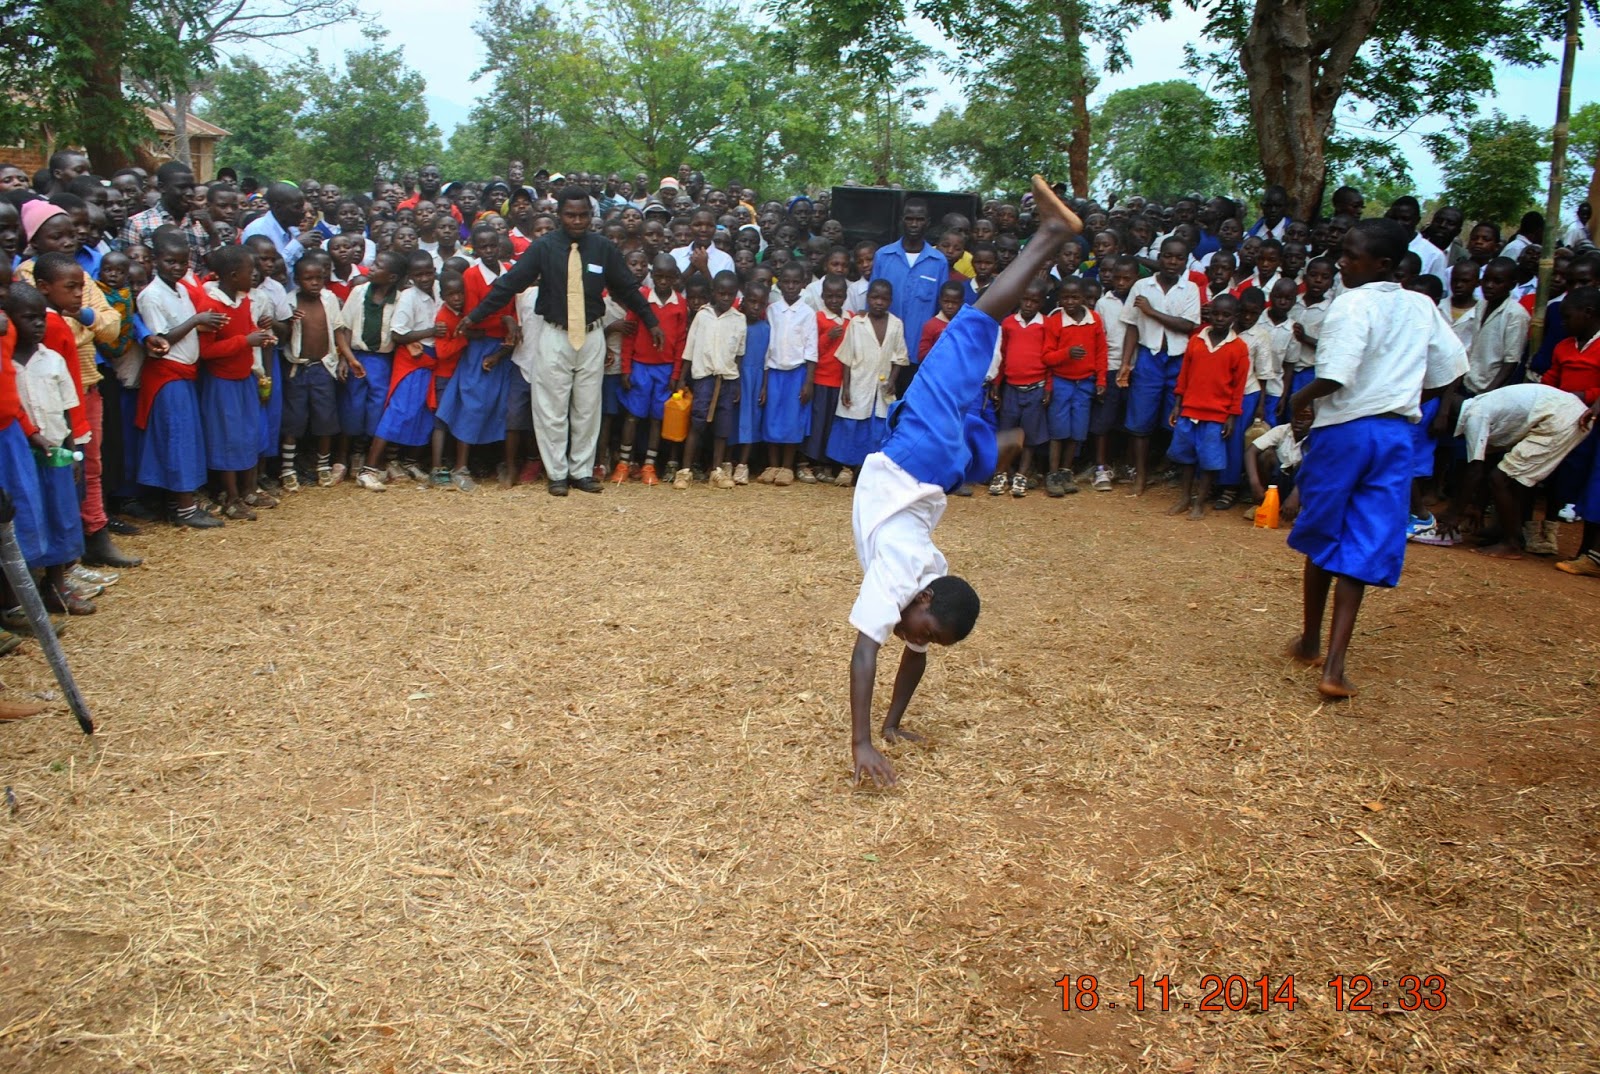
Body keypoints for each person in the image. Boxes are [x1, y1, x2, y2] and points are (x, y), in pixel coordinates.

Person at [848, 175, 1082, 787]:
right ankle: (1050, 237)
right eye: (923, 631)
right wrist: (863, 743)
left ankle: (987, 450)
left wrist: (893, 725)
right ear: (927, 599)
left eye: (926, 638)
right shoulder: (907, 575)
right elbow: (867, 652)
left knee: (966, 362)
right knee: (972, 326)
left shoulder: (921, 583)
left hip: (931, 468)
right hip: (919, 458)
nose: (915, 638)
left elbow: (910, 658)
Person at [1285, 219, 1468, 700]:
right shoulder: (1423, 305)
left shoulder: (1353, 303)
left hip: (1344, 431)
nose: (1341, 262)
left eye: (1351, 255)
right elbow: (1451, 367)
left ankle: (1309, 641)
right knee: (1364, 544)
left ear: (1383, 264)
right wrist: (1404, 392)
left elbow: (1336, 376)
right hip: (1394, 433)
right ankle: (1336, 666)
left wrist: (1298, 401)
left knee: (1324, 532)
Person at [456, 187, 663, 496]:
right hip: (554, 334)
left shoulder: (603, 248)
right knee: (551, 407)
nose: (577, 221)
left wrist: (651, 319)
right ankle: (556, 473)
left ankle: (581, 471)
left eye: (582, 215)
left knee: (587, 407)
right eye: (570, 215)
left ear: (591, 216)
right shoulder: (544, 248)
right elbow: (508, 285)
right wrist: (474, 316)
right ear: (560, 215)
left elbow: (628, 288)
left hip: (592, 335)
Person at [2, 282, 90, 613]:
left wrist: (73, 452)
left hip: (55, 451)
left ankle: (56, 586)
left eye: (42, 317)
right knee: (27, 520)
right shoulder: (7, 362)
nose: (38, 325)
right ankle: (18, 599)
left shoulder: (53, 360)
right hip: (22, 456)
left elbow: (69, 407)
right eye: (29, 318)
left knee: (61, 516)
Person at [135, 232, 227, 527]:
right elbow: (161, 341)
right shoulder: (150, 295)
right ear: (155, 261)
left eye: (182, 262)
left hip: (186, 372)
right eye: (169, 261)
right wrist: (197, 321)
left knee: (186, 438)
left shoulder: (182, 290)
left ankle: (178, 502)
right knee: (177, 439)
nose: (176, 267)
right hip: (168, 375)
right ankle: (185, 510)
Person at [1451, 383, 1594, 559]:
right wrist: (1475, 506)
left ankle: (1511, 544)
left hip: (1563, 419)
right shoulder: (1480, 405)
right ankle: (1507, 531)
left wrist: (1455, 515)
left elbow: (1475, 470)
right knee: (1513, 478)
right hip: (1564, 413)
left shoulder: (1475, 416)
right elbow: (1485, 463)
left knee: (1500, 478)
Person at [197, 245, 274, 519]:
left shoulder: (244, 300)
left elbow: (247, 329)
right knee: (227, 438)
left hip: (244, 378)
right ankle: (230, 497)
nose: (253, 276)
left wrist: (260, 334)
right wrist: (246, 341)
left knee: (248, 433)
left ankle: (248, 490)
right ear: (232, 275)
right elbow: (206, 352)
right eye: (248, 271)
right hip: (222, 382)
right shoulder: (211, 305)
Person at [1120, 236, 1201, 495]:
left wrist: (1152, 312)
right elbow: (1132, 326)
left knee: (1173, 419)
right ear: (1160, 257)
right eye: (1168, 256)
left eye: (1179, 257)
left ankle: (1168, 469)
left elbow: (1187, 325)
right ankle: (1141, 476)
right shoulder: (1142, 286)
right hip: (1148, 357)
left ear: (1185, 261)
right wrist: (1125, 362)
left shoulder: (1190, 289)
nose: (1172, 262)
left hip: (1179, 359)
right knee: (1140, 420)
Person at [1166, 293, 1250, 519]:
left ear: (1235, 317)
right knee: (1185, 457)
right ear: (1209, 314)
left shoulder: (1239, 347)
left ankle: (1199, 502)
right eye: (1216, 313)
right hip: (1190, 410)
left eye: (1226, 315)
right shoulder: (1196, 340)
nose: (1220, 318)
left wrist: (1231, 416)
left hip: (1216, 414)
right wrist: (1177, 405)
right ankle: (1185, 497)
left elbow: (1238, 386)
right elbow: (1184, 375)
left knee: (1209, 460)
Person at [279, 255, 357, 492]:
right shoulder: (289, 302)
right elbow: (281, 336)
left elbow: (338, 330)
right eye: (308, 278)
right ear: (297, 279)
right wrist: (289, 323)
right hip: (297, 369)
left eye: (319, 278)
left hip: (323, 368)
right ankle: (287, 469)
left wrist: (348, 358)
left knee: (326, 419)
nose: (314, 283)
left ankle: (323, 465)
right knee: (294, 420)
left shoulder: (329, 298)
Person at [827, 278, 907, 490]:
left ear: (890, 301)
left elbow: (899, 357)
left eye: (884, 298)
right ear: (867, 299)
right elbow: (847, 357)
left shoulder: (896, 324)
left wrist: (892, 380)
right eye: (874, 297)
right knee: (852, 425)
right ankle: (846, 468)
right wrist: (846, 386)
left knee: (878, 427)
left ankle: (868, 470)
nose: (878, 302)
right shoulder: (857, 322)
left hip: (882, 386)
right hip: (858, 381)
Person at [614, 255, 687, 486]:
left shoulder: (680, 304)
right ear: (652, 275)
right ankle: (624, 464)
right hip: (640, 366)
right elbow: (629, 335)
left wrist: (676, 375)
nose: (663, 281)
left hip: (665, 370)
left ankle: (649, 466)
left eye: (668, 277)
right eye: (659, 276)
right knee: (633, 416)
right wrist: (626, 367)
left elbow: (681, 342)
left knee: (657, 419)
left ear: (676, 278)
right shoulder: (642, 297)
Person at [674, 270, 744, 490]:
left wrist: (738, 383)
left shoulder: (739, 319)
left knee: (723, 428)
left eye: (730, 294)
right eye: (721, 293)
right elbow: (689, 349)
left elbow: (739, 354)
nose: (725, 298)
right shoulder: (702, 316)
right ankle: (684, 471)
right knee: (697, 423)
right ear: (713, 293)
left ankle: (717, 471)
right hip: (704, 378)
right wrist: (681, 379)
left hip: (727, 379)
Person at [870, 200, 947, 393]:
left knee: (911, 407)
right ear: (901, 221)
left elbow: (942, 311)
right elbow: (871, 303)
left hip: (918, 352)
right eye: (909, 219)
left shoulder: (938, 262)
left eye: (919, 219)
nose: (914, 224)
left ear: (927, 222)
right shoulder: (883, 256)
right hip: (884, 350)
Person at [1041, 276, 1107, 496]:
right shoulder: (1055, 321)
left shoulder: (1094, 319)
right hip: (1061, 381)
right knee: (1058, 431)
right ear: (1059, 299)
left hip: (1085, 382)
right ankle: (1052, 474)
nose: (1070, 302)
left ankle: (1066, 471)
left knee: (1077, 431)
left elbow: (1101, 352)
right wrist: (1066, 353)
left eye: (1075, 297)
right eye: (1065, 297)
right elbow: (1047, 357)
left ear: (1084, 298)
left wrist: (1101, 380)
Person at [990, 278, 1052, 497]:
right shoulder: (1008, 323)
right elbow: (1002, 356)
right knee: (1008, 433)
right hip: (1011, 388)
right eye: (1025, 300)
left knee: (1030, 436)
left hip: (1036, 387)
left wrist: (1048, 388)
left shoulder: (1046, 324)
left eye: (1034, 301)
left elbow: (1050, 359)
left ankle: (1022, 475)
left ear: (1041, 303)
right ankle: (1001, 473)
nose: (1028, 305)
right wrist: (996, 385)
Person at [760, 262, 817, 486]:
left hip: (797, 373)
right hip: (774, 372)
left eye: (796, 282)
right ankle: (773, 465)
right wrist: (764, 383)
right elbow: (767, 348)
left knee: (793, 420)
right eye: (787, 282)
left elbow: (812, 349)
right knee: (772, 418)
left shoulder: (808, 313)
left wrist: (808, 382)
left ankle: (786, 466)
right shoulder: (772, 310)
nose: (791, 286)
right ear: (779, 283)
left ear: (803, 284)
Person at [1090, 255, 1136, 491]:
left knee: (1131, 420)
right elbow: (1100, 340)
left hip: (1136, 367)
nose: (1120, 282)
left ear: (1136, 279)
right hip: (1109, 367)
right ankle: (1101, 467)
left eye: (1126, 278)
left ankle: (1128, 465)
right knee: (1104, 420)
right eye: (1116, 277)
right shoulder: (1104, 302)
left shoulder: (1141, 301)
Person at [802, 273, 851, 485]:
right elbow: (813, 349)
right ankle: (811, 463)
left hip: (841, 380)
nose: (834, 300)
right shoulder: (819, 318)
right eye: (829, 296)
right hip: (822, 378)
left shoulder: (851, 318)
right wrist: (827, 337)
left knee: (832, 424)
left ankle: (827, 463)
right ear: (822, 296)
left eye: (838, 296)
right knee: (817, 423)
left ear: (845, 296)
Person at [240, 182, 323, 278]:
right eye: (297, 207)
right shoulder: (257, 230)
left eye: (302, 206)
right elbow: (265, 273)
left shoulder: (293, 229)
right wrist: (297, 245)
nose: (303, 211)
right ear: (277, 207)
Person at [1244, 408, 1311, 521]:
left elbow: (1312, 470)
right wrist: (1255, 483)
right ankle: (1264, 504)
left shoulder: (1317, 438)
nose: (1299, 420)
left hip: (1302, 486)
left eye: (1306, 417)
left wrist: (1295, 496)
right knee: (1266, 455)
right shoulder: (1282, 430)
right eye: (1297, 416)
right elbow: (1250, 451)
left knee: (1307, 464)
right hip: (1279, 484)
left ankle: (1303, 509)